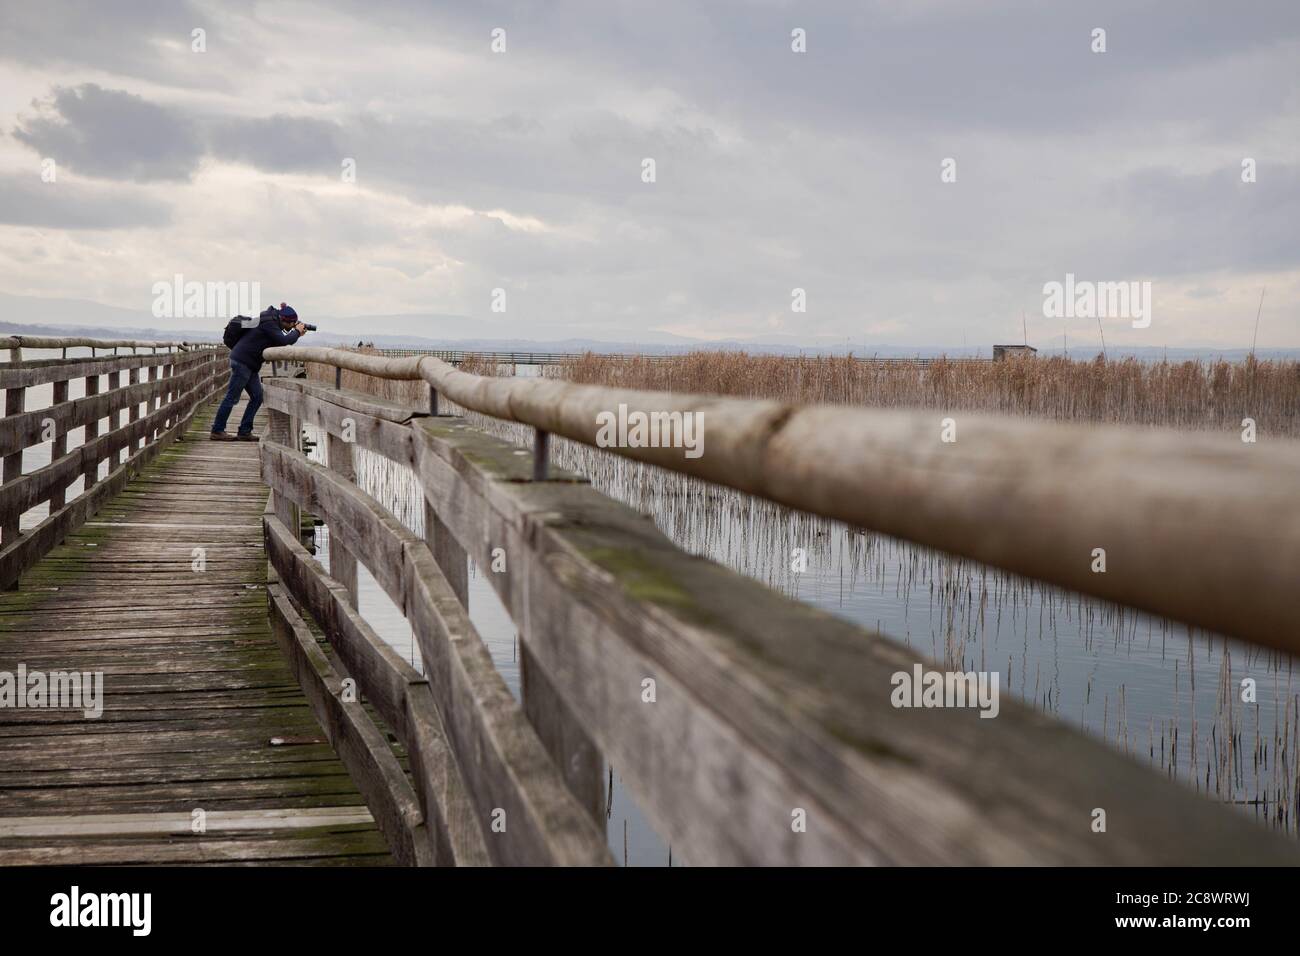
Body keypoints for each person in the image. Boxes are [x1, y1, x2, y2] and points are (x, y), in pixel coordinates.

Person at [210, 303, 308, 441]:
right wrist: (297, 332)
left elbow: (278, 340)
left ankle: (244, 431)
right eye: (292, 324)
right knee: (232, 397)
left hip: (249, 364)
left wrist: (295, 331)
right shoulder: (270, 324)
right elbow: (284, 340)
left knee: (257, 397)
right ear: (285, 320)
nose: (292, 326)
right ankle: (217, 430)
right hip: (243, 362)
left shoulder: (270, 321)